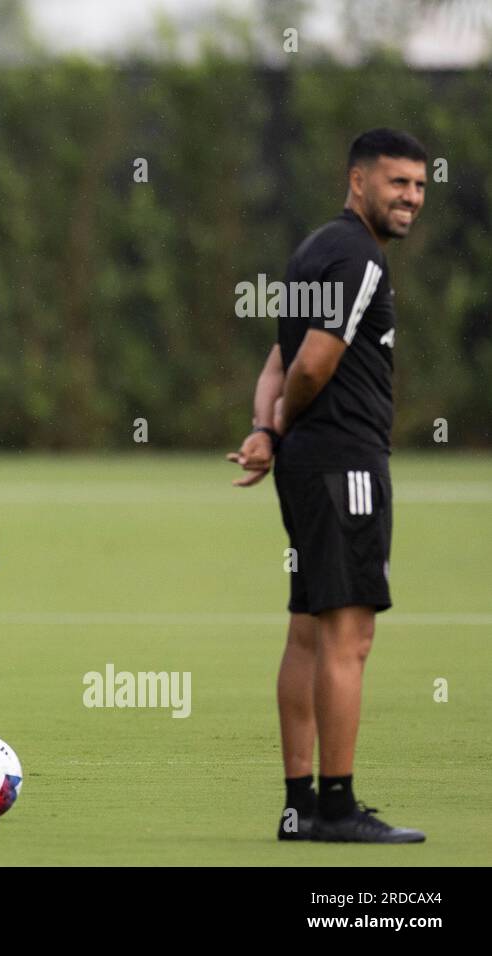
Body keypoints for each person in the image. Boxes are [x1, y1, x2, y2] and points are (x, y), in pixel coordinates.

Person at [229, 128, 428, 843]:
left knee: (309, 630)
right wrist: (281, 427)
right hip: (345, 461)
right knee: (351, 634)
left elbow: (277, 359)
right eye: (398, 183)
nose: (412, 198)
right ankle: (337, 809)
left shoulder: (317, 248)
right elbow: (309, 366)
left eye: (420, 186)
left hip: (310, 462)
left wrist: (266, 429)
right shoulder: (358, 256)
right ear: (358, 180)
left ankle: (299, 805)